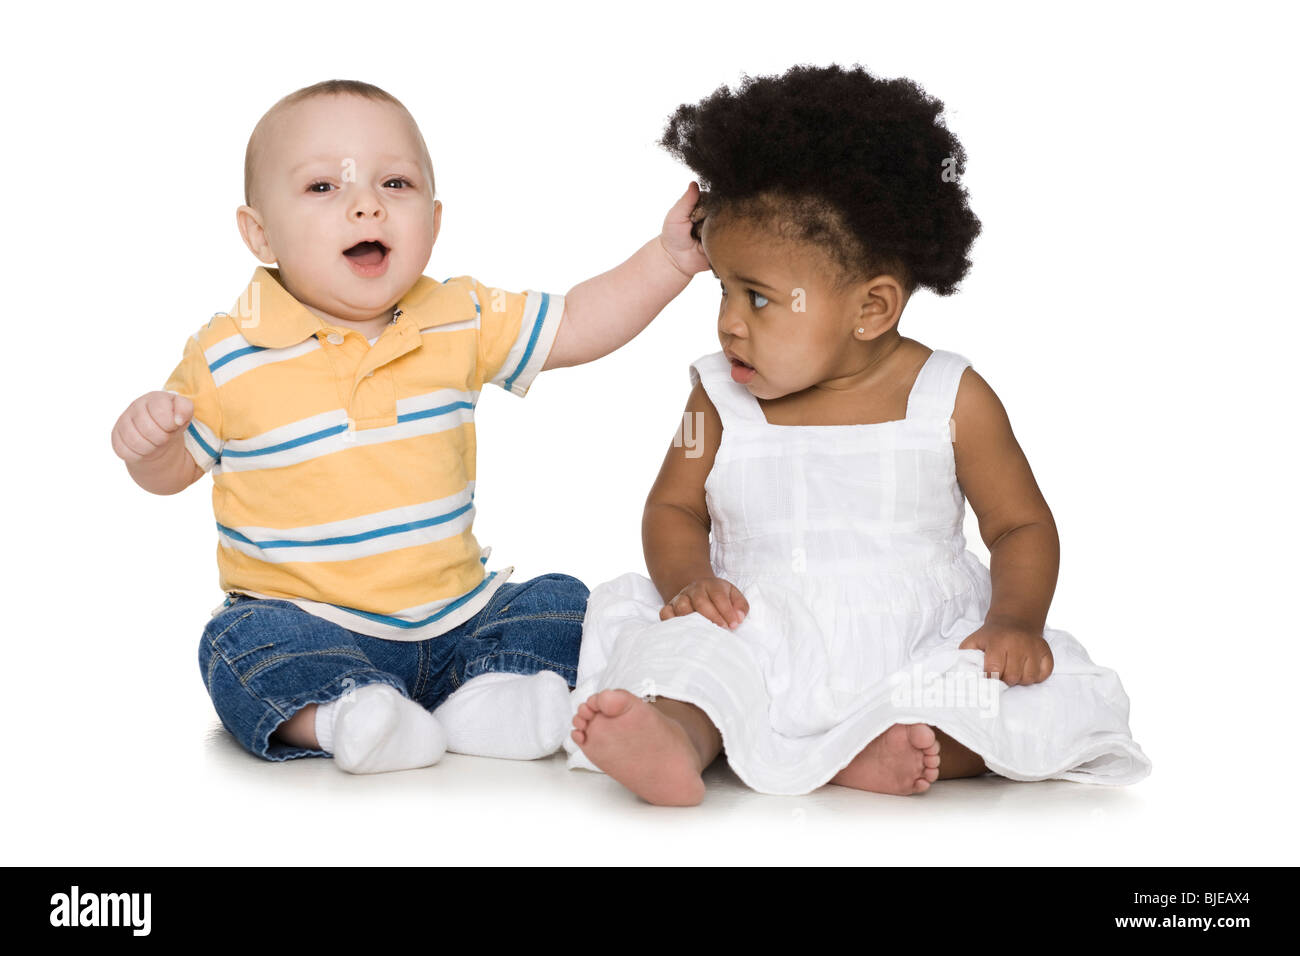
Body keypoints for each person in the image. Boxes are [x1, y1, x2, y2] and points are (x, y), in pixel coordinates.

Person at [566, 64, 1152, 805]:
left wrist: (1014, 621)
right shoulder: (712, 401)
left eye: (760, 298)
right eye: (723, 289)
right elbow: (673, 508)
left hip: (913, 641)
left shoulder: (951, 398)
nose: (729, 322)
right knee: (693, 658)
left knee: (1005, 698)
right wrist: (690, 583)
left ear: (871, 308)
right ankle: (675, 738)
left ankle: (904, 748)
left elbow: (1021, 524)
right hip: (758, 623)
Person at [110, 79, 709, 774]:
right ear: (259, 233)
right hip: (311, 627)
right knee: (238, 644)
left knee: (563, 601)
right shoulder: (228, 353)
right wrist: (150, 447)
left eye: (394, 183)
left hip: (460, 619)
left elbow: (577, 322)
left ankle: (494, 696)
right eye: (322, 188)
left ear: (433, 217)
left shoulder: (457, 316)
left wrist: (669, 262)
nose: (366, 203)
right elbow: (173, 470)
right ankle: (343, 716)